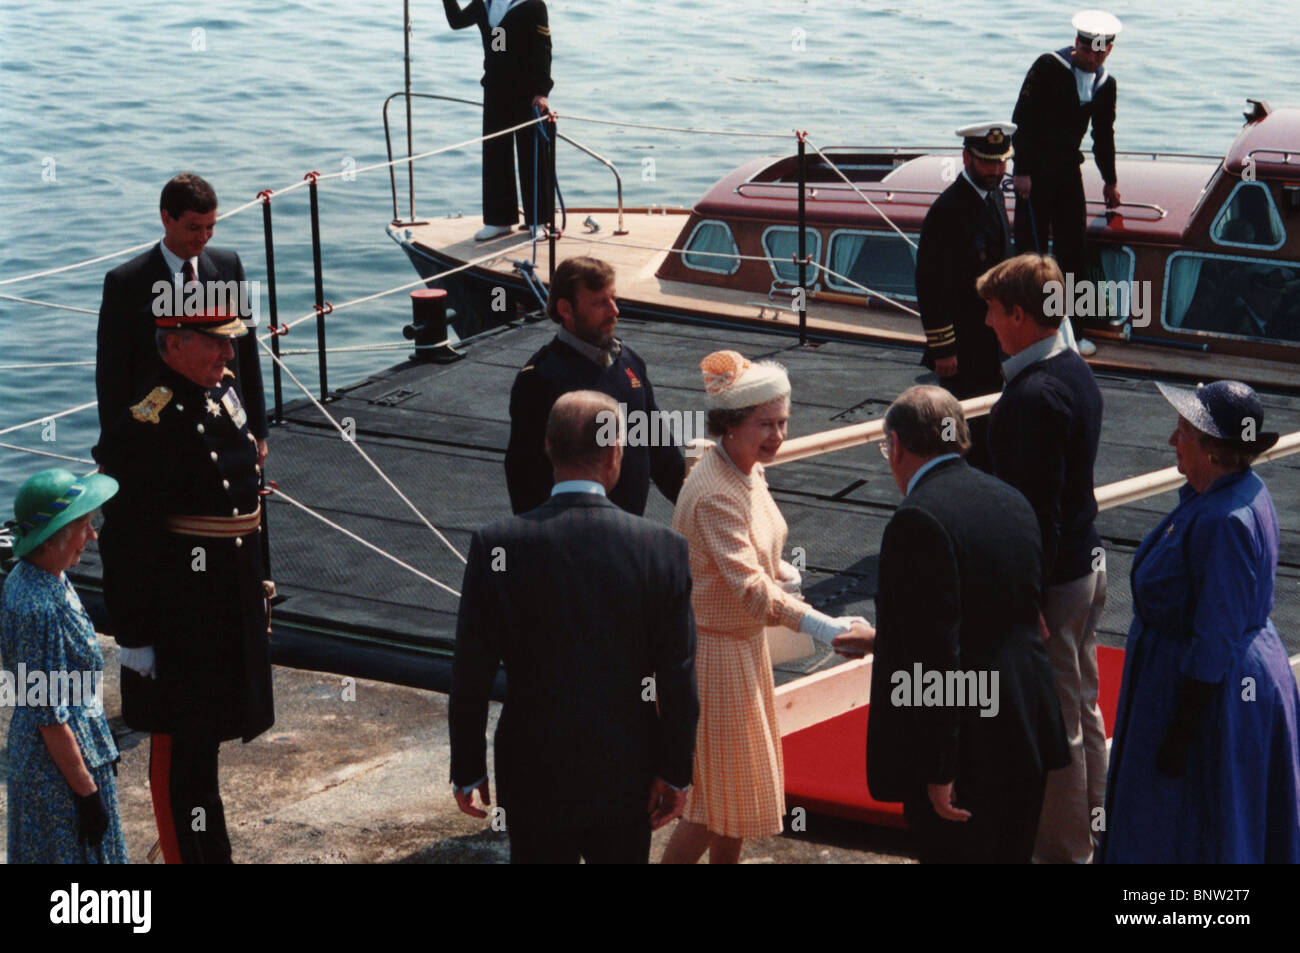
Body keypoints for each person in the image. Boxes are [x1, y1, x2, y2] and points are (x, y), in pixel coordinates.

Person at [449, 390, 699, 863]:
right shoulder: (662, 549)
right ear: (614, 453)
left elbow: (471, 670)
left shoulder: (496, 545)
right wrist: (676, 771)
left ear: (548, 447)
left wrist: (467, 767)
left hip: (532, 768)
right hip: (627, 769)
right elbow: (678, 675)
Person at [661, 350, 873, 864]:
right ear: (731, 425)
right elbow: (752, 591)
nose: (778, 435)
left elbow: (760, 558)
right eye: (766, 424)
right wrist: (829, 627)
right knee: (712, 806)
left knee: (733, 798)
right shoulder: (715, 491)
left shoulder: (745, 468)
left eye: (783, 422)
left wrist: (785, 573)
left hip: (741, 650)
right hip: (716, 657)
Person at [96, 305, 275, 864]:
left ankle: (210, 854)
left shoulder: (221, 395)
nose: (229, 354)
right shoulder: (148, 422)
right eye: (215, 344)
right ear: (173, 344)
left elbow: (250, 501)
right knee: (180, 750)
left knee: (209, 744)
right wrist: (135, 636)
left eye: (230, 343)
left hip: (225, 603)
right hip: (181, 617)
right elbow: (125, 538)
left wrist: (261, 583)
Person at [862, 385, 1069, 863]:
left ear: (895, 446)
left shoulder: (917, 520)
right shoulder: (1011, 501)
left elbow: (939, 653)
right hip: (1026, 725)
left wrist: (940, 768)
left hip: (971, 751)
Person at [1101, 380, 1300, 863]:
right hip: (1218, 682)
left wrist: (1181, 731)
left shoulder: (1222, 522)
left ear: (1211, 451)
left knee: (1197, 826)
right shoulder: (1236, 490)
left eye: (1184, 431)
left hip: (1212, 698)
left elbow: (1215, 637)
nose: (1173, 441)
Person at [979, 253, 1106, 863]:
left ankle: (1063, 853)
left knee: (1061, 727)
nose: (987, 321)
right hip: (1086, 569)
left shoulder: (1035, 395)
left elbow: (1037, 515)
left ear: (1022, 315)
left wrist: (1027, 601)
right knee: (1084, 706)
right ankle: (1098, 828)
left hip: (1056, 585)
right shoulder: (1074, 369)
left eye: (994, 311)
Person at [94, 172, 268, 468]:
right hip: (161, 436)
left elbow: (246, 354)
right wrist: (114, 448)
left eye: (210, 227)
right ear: (166, 218)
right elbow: (112, 376)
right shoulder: (126, 283)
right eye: (193, 227)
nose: (202, 237)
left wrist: (259, 432)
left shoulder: (229, 266)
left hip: (224, 424)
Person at [2, 468, 127, 864]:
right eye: (84, 526)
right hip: (56, 776)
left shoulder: (37, 575)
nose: (91, 535)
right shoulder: (38, 608)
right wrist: (87, 792)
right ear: (52, 540)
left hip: (68, 754)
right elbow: (49, 718)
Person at [505, 256, 685, 515]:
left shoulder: (630, 363)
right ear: (566, 309)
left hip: (628, 532)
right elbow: (524, 476)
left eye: (613, 299)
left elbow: (662, 453)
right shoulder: (540, 379)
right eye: (600, 303)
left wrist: (697, 507)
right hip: (571, 541)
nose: (614, 311)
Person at [1012, 10, 1125, 357]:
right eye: (1089, 51)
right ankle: (1023, 328)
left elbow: (1102, 135)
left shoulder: (1106, 84)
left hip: (1066, 172)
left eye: (1101, 52)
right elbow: (1023, 119)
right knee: (1030, 252)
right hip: (1035, 171)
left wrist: (1110, 180)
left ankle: (1072, 330)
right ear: (1077, 44)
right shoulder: (1048, 67)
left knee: (1072, 253)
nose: (1094, 58)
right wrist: (1022, 170)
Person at [915, 122, 1016, 472]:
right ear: (966, 158)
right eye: (988, 163)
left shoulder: (995, 196)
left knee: (985, 418)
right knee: (953, 418)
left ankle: (982, 474)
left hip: (992, 339)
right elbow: (930, 284)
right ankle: (945, 468)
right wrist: (943, 348)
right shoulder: (948, 211)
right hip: (961, 343)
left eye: (1002, 162)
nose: (996, 170)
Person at [443, 0, 554, 241]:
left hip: (528, 93)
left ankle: (538, 219)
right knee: (495, 152)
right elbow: (457, 22)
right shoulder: (485, 4)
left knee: (531, 155)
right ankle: (499, 219)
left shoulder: (532, 5)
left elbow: (543, 48)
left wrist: (542, 90)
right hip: (495, 89)